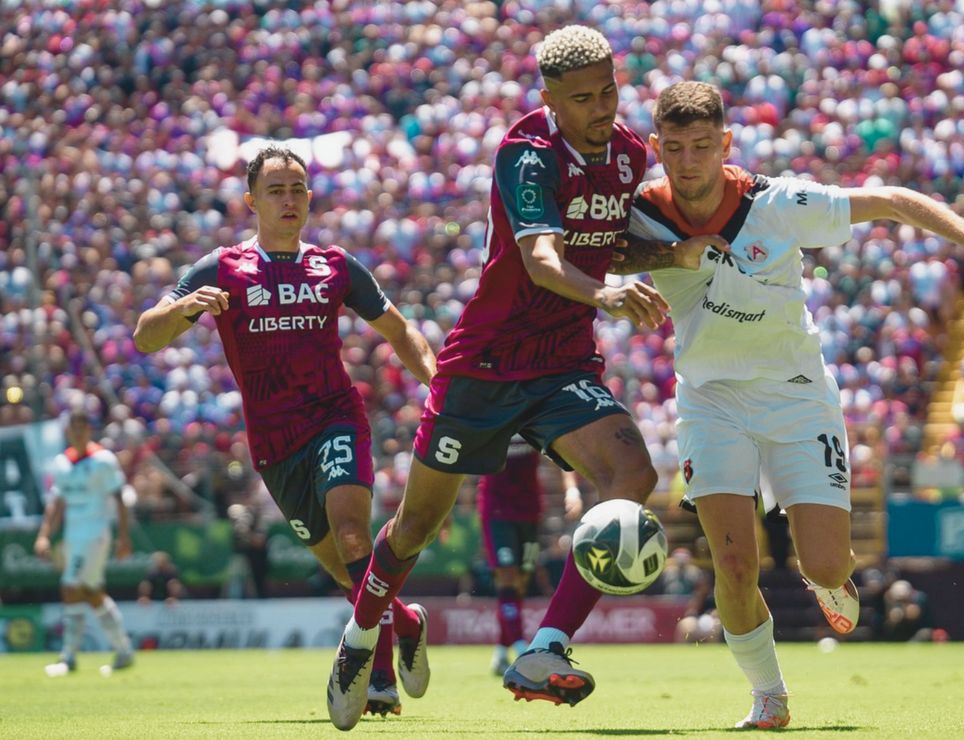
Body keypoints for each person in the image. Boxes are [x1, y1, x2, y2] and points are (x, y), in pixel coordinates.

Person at [616, 81, 964, 728]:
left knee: (826, 560)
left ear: (725, 143)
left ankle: (827, 577)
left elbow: (894, 200)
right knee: (732, 563)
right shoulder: (642, 212)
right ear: (656, 147)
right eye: (673, 147)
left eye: (702, 145)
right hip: (710, 400)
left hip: (796, 396)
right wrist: (666, 255)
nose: (688, 161)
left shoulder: (780, 202)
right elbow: (588, 248)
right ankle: (769, 696)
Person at [327, 26, 722, 725]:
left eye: (608, 91)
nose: (601, 108)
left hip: (562, 363)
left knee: (631, 478)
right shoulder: (527, 155)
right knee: (415, 526)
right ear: (549, 100)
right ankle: (362, 636)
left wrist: (675, 255)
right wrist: (603, 292)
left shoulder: (629, 155)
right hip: (484, 364)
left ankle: (545, 647)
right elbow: (543, 259)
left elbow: (608, 246)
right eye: (582, 99)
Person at [133, 145, 438, 724]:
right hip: (274, 447)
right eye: (276, 189)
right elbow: (145, 337)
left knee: (354, 539)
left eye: (298, 188)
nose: (289, 199)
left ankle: (375, 680)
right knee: (347, 573)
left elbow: (400, 331)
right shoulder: (218, 269)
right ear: (251, 201)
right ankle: (407, 620)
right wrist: (184, 309)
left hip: (335, 419)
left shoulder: (335, 266)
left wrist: (439, 390)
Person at [35, 410, 135, 676]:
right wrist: (44, 535)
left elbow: (119, 499)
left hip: (96, 533)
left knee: (70, 587)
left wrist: (124, 537)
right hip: (73, 535)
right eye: (74, 429)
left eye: (82, 428)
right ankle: (123, 649)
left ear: (89, 430)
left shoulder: (103, 460)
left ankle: (67, 657)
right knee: (91, 593)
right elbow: (56, 504)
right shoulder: (62, 463)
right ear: (68, 432)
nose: (78, 433)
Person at [477, 435, 582, 675]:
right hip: (496, 510)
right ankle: (522, 648)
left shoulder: (530, 413)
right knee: (506, 576)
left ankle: (502, 652)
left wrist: (572, 491)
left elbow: (560, 453)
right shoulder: (491, 414)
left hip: (529, 510)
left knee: (521, 583)